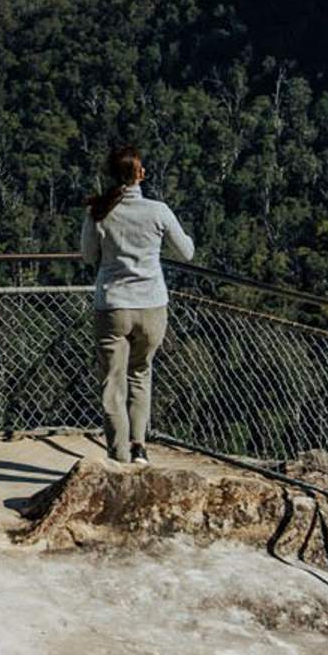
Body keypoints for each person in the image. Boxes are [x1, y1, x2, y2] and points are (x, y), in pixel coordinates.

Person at [81, 145, 194, 465]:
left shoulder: (99, 212)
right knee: (141, 374)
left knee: (112, 383)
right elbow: (186, 252)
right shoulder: (158, 212)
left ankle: (118, 455)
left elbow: (88, 256)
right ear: (140, 175)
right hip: (152, 305)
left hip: (113, 306)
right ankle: (139, 446)